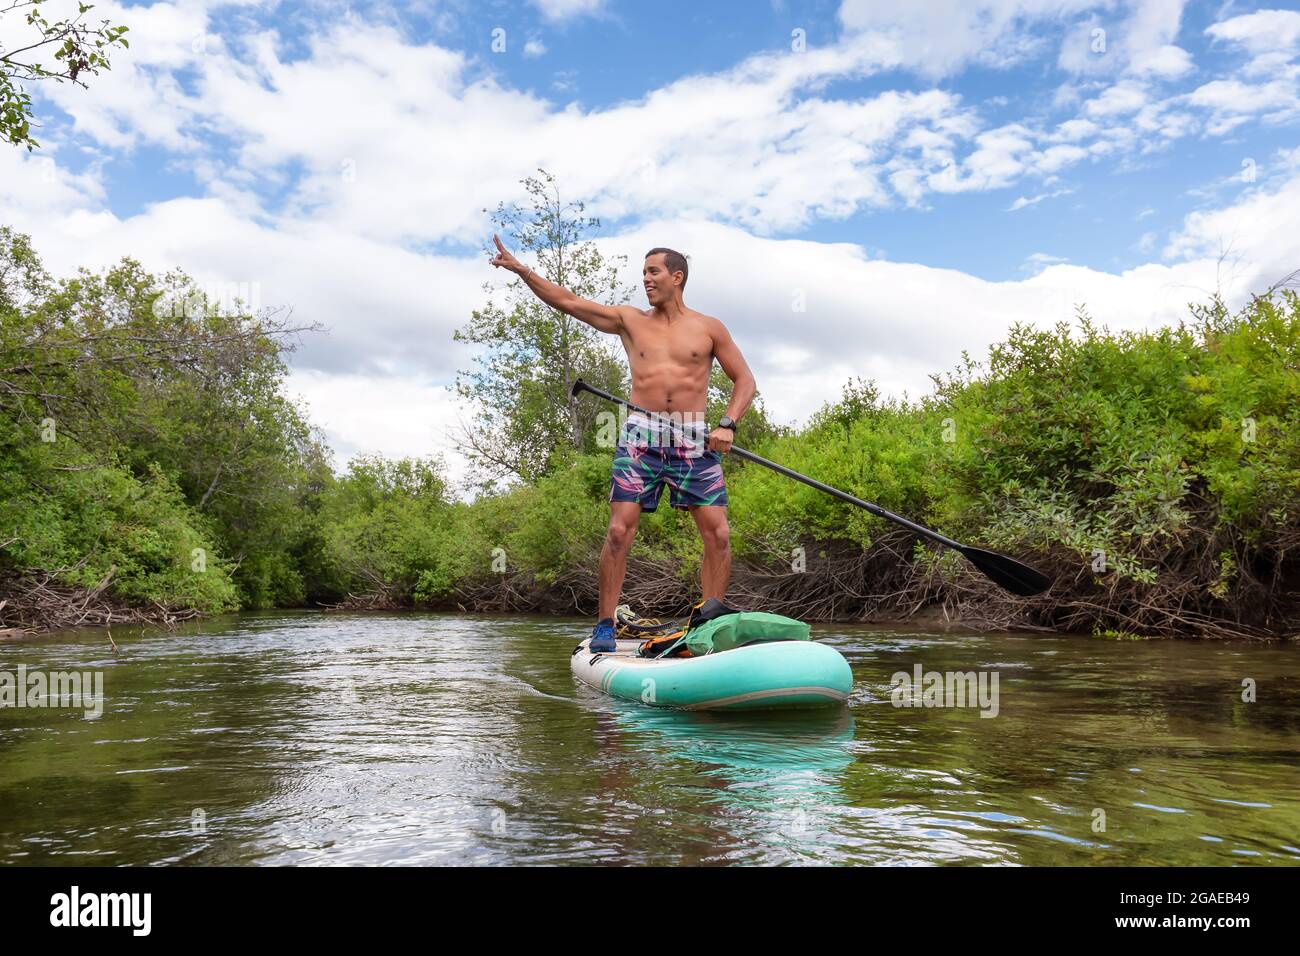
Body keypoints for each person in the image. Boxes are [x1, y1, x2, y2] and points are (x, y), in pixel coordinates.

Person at [489, 235, 756, 651]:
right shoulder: (631, 320)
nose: (646, 280)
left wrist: (728, 424)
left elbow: (746, 380)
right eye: (644, 273)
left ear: (677, 277)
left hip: (693, 436)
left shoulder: (708, 328)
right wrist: (524, 271)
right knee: (618, 531)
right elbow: (570, 303)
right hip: (640, 436)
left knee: (718, 535)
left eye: (654, 272)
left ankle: (708, 623)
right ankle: (605, 625)